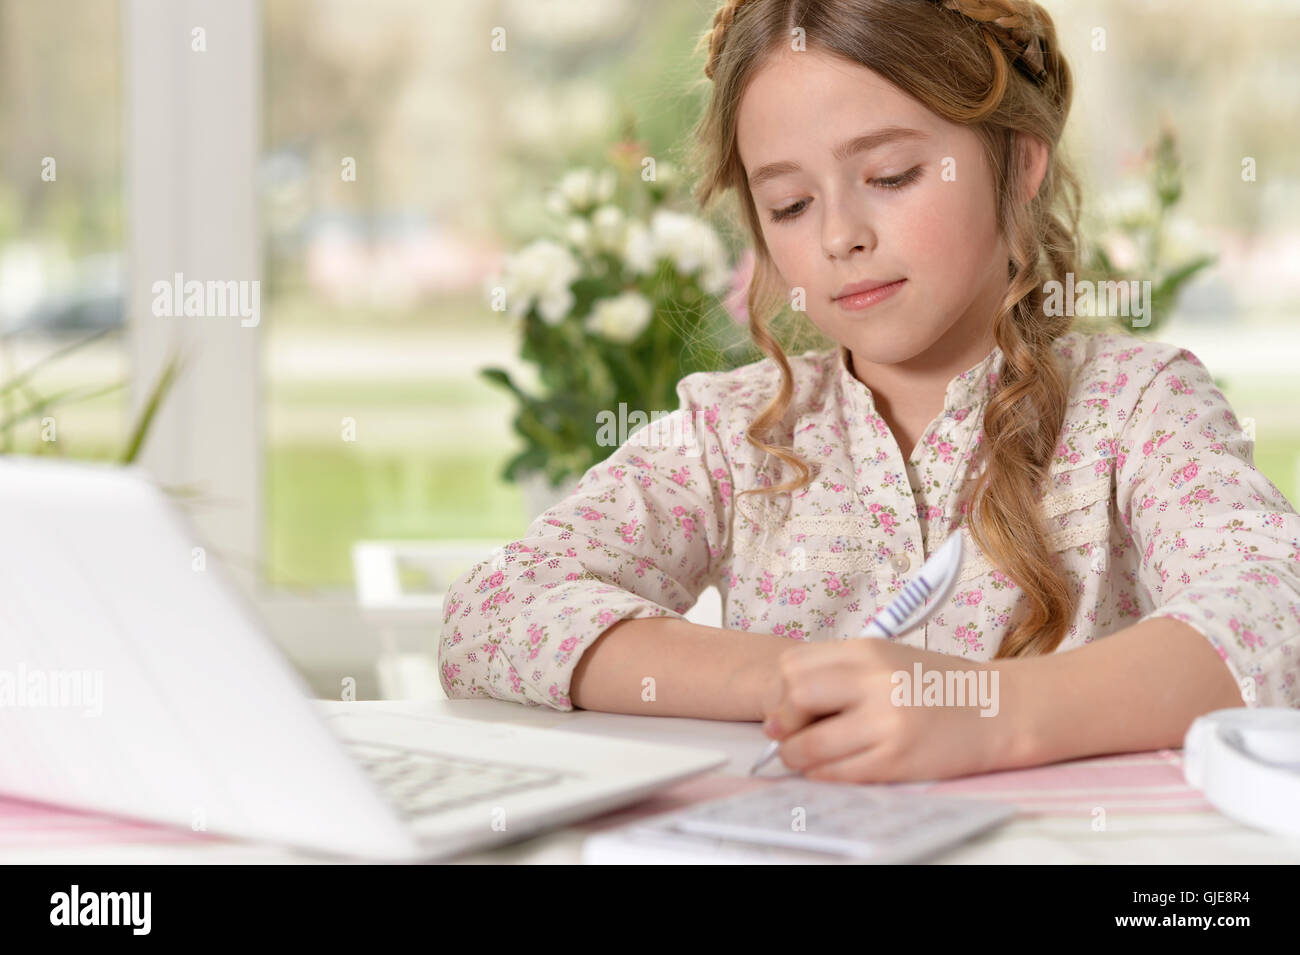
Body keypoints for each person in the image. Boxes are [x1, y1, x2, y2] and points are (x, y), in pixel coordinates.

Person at [439, 0, 1300, 783]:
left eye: (890, 177)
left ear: (1021, 161)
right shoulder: (731, 433)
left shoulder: (1140, 405)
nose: (842, 235)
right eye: (788, 204)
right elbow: (491, 614)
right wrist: (805, 679)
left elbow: (1273, 612)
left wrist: (986, 712)